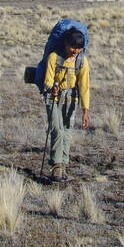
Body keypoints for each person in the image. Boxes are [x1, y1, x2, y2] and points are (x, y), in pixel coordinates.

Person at [42, 28, 90, 182]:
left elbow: (84, 86)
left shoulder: (82, 61)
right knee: (56, 129)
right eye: (72, 47)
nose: (75, 51)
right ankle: (56, 165)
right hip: (53, 98)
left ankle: (63, 164)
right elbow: (48, 80)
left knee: (67, 132)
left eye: (78, 48)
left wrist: (85, 110)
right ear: (65, 44)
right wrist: (52, 88)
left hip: (71, 99)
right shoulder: (54, 57)